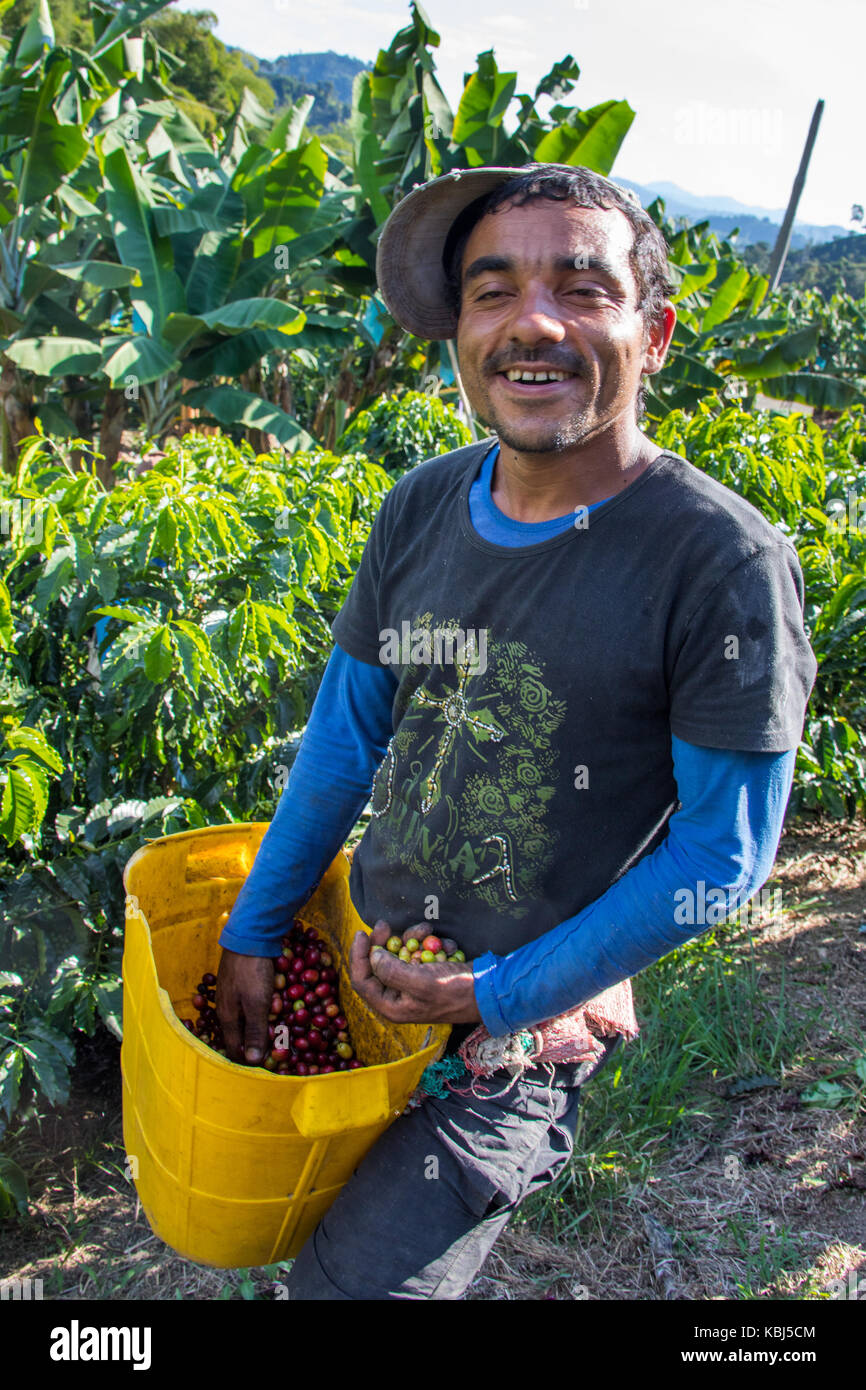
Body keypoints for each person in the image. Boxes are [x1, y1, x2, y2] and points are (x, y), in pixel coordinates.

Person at [215, 162, 818, 1300]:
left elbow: (719, 856)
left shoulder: (717, 562)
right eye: (491, 291)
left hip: (516, 1031)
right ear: (458, 333)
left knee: (350, 1289)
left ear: (655, 333)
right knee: (287, 1220)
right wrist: (255, 927)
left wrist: (494, 995)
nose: (530, 322)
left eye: (581, 288)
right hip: (372, 959)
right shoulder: (422, 507)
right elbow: (345, 742)